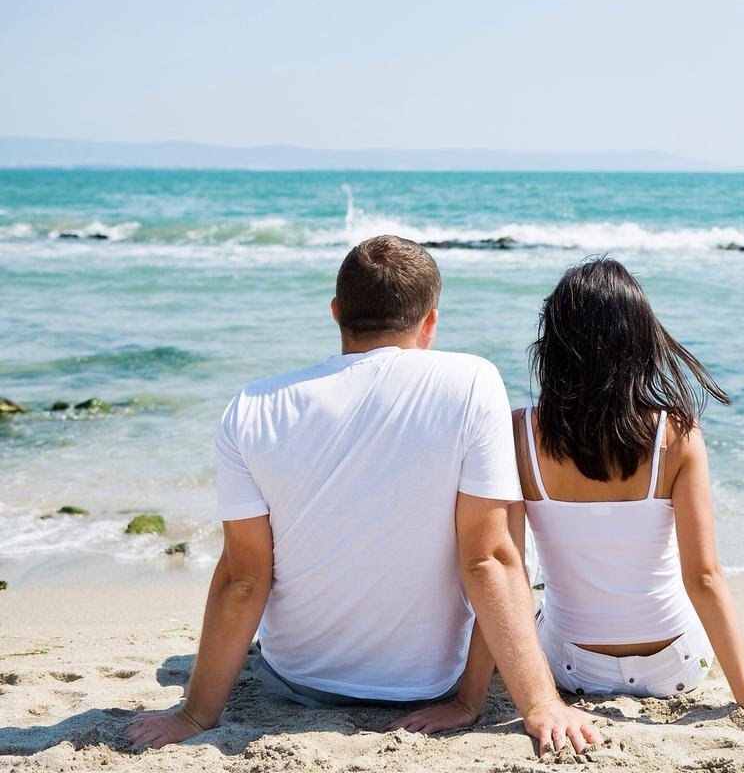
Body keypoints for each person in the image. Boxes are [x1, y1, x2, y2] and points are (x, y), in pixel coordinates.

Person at [125, 235, 598, 756]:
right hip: (429, 685)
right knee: (503, 519)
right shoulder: (471, 382)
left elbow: (243, 577)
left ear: (336, 313)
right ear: (430, 321)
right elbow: (488, 558)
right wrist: (539, 705)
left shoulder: (253, 405)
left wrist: (196, 714)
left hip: (298, 682)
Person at [407, 258, 744, 732]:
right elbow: (704, 577)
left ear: (555, 344)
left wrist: (468, 702)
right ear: (639, 342)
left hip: (572, 670)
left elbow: (507, 572)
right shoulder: (678, 435)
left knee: (527, 595)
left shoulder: (520, 434)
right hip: (677, 666)